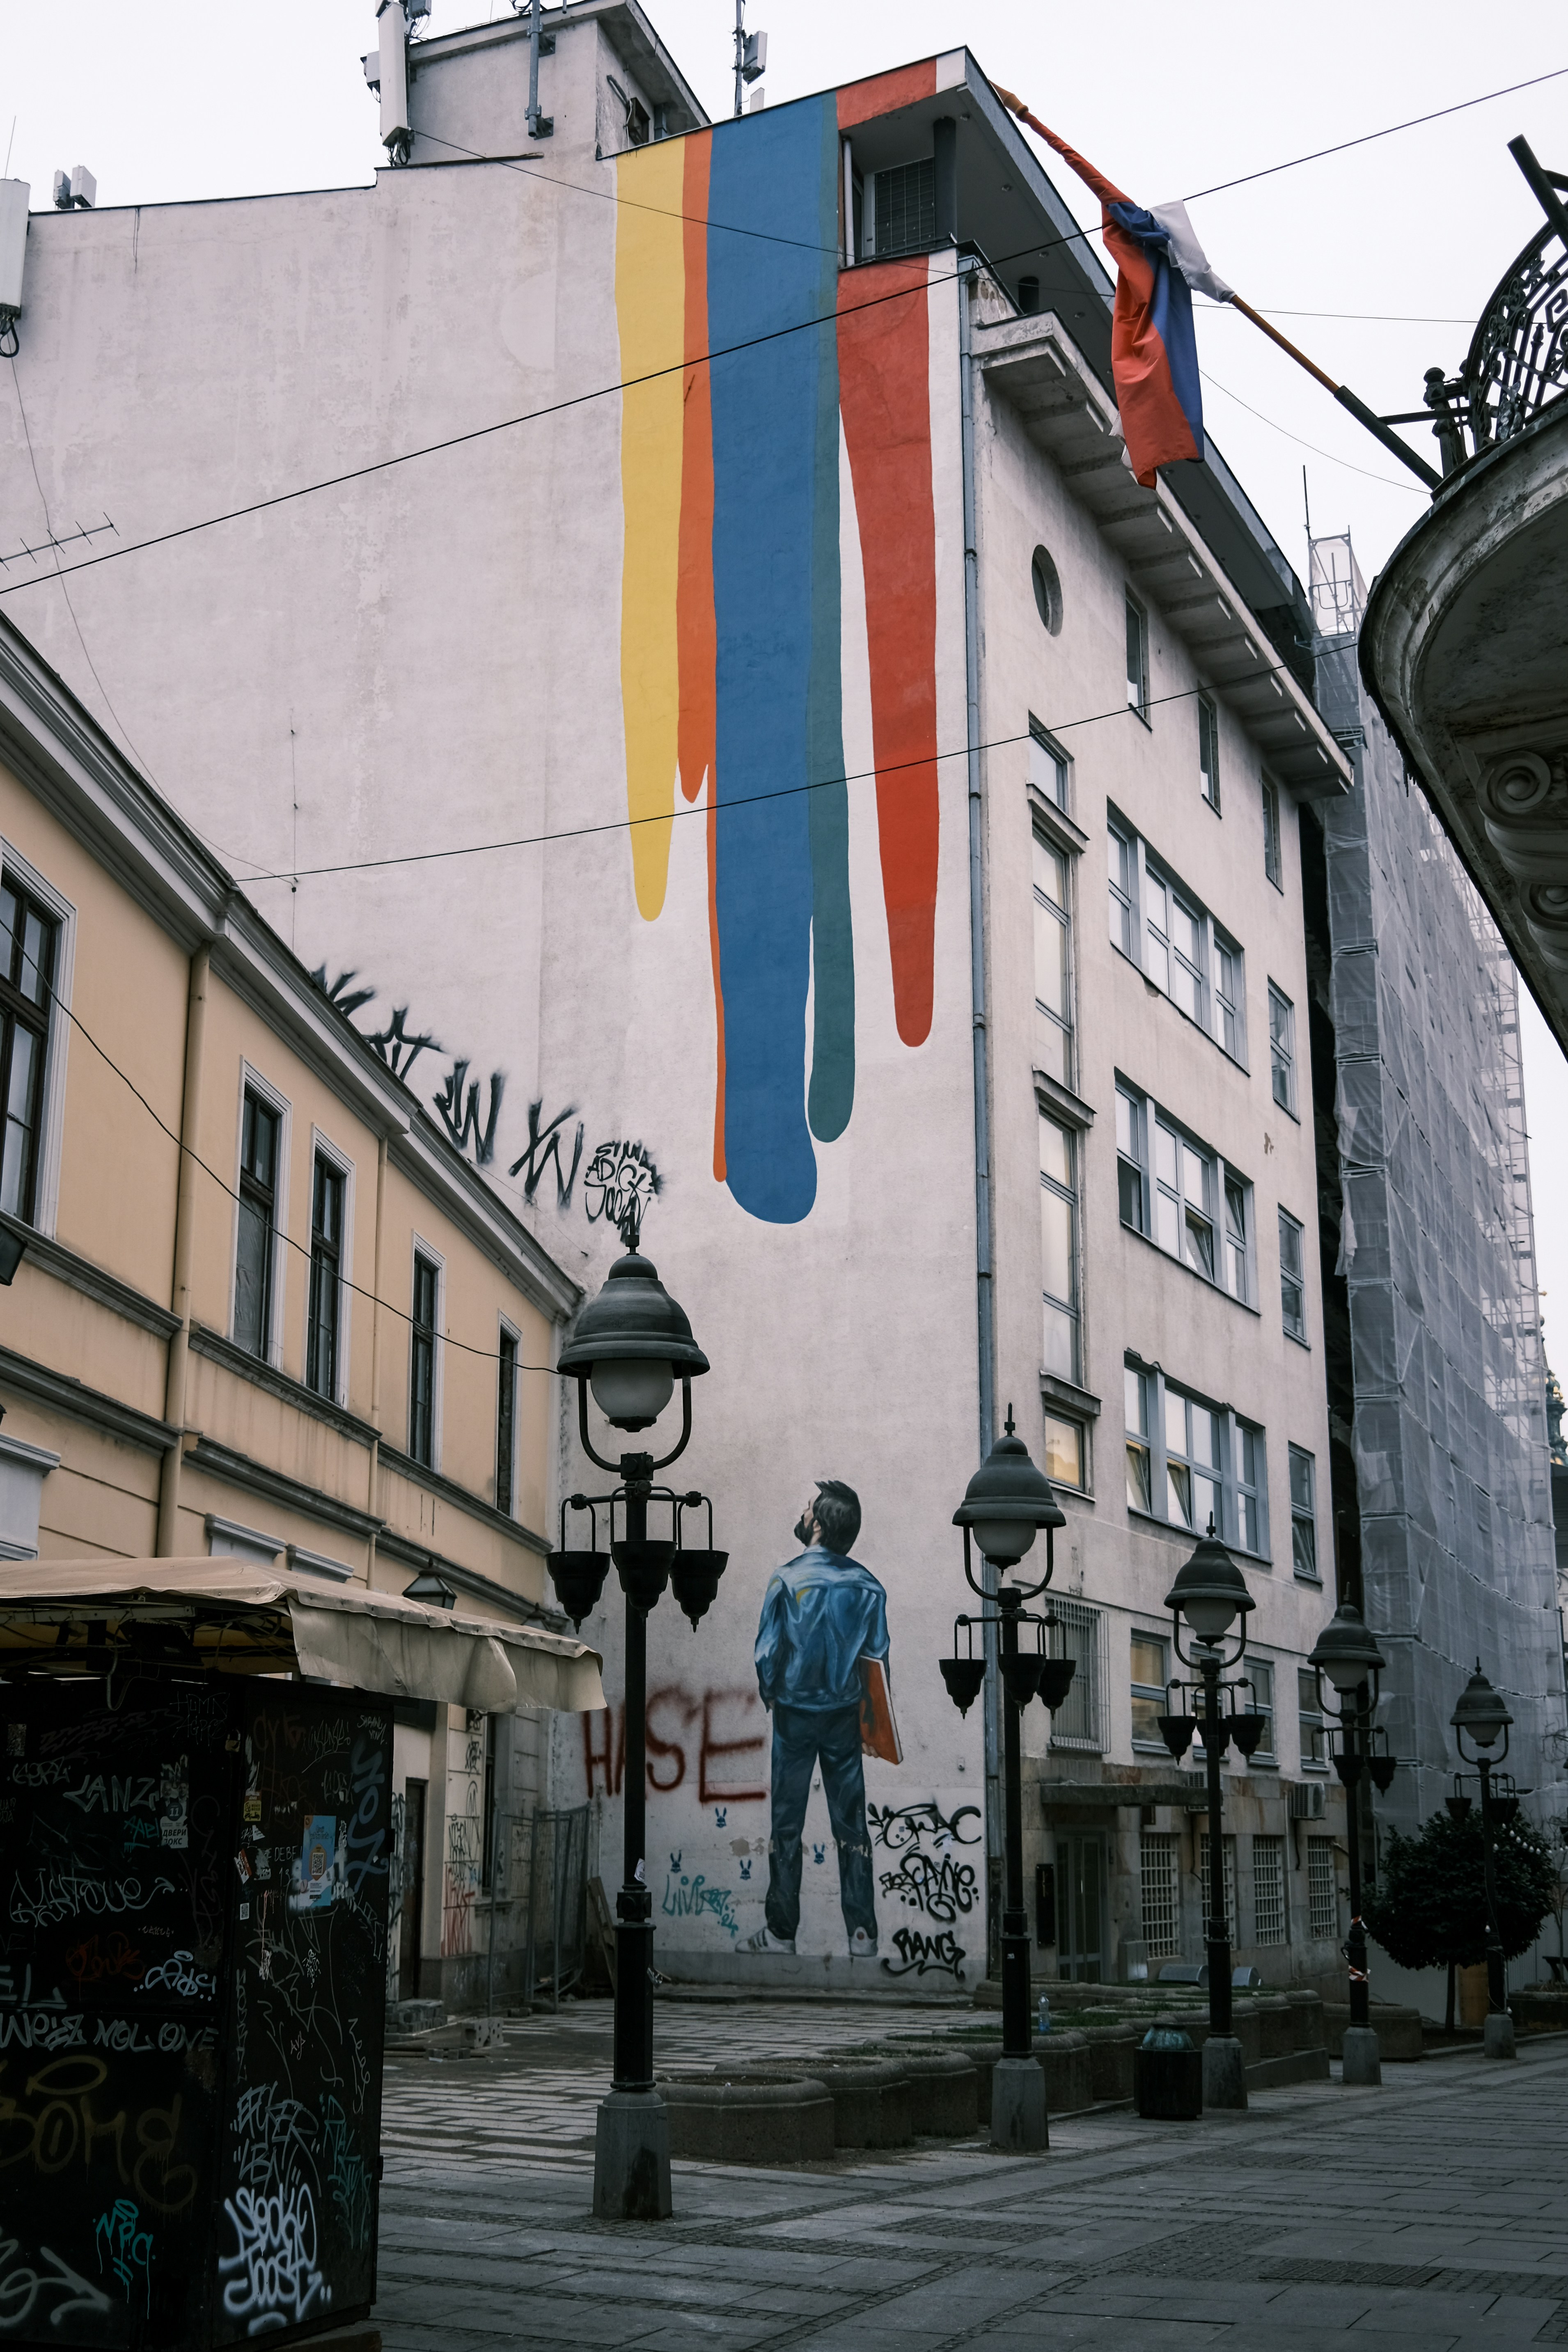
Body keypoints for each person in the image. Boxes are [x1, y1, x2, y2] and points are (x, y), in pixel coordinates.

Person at [746, 1480, 888, 1958]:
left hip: (794, 1715)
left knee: (787, 1825)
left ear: (819, 1526)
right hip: (845, 1717)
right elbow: (876, 1663)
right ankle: (862, 1934)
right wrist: (872, 1726)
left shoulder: (786, 1579)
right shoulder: (870, 1587)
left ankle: (781, 1933)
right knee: (851, 1826)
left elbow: (766, 1654)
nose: (802, 1513)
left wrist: (771, 1693)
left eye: (808, 1509)